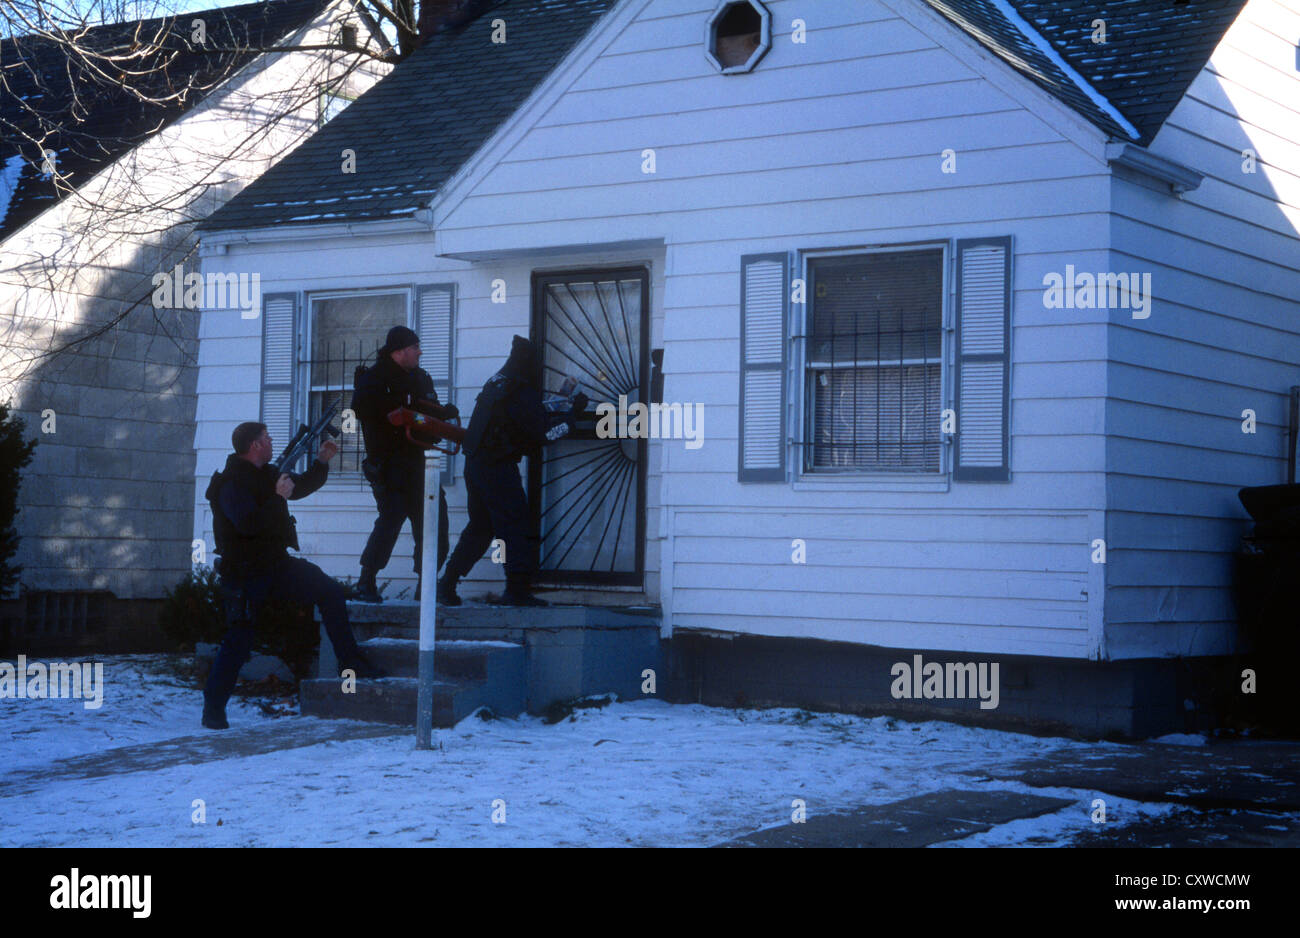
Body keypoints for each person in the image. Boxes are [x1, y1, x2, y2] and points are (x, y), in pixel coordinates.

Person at [202, 422, 384, 730]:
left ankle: (350, 663)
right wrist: (277, 498)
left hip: (277, 564)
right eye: (266, 438)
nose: (271, 441)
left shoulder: (268, 474)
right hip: (245, 573)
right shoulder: (230, 483)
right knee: (239, 641)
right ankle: (213, 709)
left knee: (329, 592)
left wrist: (322, 462)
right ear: (255, 446)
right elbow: (247, 523)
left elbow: (299, 487)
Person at [437, 335, 587, 607]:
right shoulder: (520, 390)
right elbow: (545, 433)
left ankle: (447, 582)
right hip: (497, 466)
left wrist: (557, 409)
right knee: (516, 524)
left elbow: (523, 418)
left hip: (476, 464)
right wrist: (572, 417)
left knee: (482, 526)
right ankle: (517, 589)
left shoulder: (497, 382)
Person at [351, 325, 458, 603]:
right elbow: (361, 411)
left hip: (422, 463)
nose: (419, 352)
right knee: (390, 520)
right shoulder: (374, 379)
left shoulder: (420, 377)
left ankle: (426, 585)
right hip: (389, 464)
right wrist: (398, 408)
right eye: (414, 348)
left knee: (435, 523)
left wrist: (441, 413)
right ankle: (366, 581)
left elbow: (428, 410)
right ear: (399, 351)